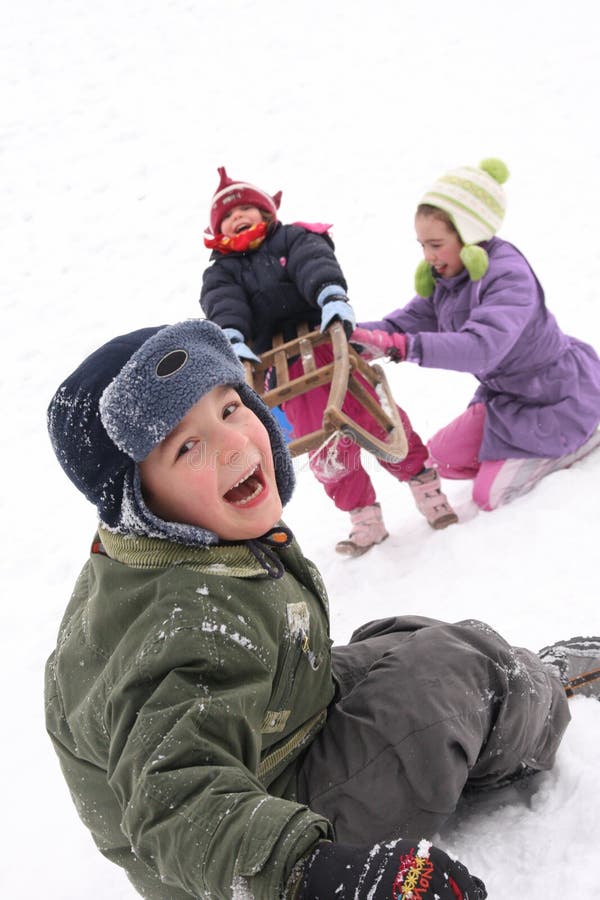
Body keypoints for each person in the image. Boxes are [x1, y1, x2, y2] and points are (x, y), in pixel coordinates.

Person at [45, 318, 600, 899]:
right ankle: (524, 695)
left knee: (400, 637)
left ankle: (507, 693)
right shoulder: (186, 624)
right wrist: (313, 873)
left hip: (277, 735)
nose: (233, 443)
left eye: (229, 408)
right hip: (256, 848)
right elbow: (173, 800)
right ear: (140, 502)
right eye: (187, 446)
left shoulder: (160, 549)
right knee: (454, 675)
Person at [199, 166, 458, 556]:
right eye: (228, 216)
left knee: (375, 418)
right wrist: (232, 337)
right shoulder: (222, 271)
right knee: (325, 446)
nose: (238, 217)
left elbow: (313, 262)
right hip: (283, 368)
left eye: (245, 209)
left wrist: (330, 295)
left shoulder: (291, 238)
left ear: (266, 212)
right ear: (218, 230)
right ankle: (363, 516)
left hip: (326, 343)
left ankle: (424, 485)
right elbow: (224, 304)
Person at [352, 158, 600, 511]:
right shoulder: (451, 276)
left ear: (469, 236)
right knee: (442, 457)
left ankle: (578, 439)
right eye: (422, 245)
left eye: (436, 244)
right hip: (508, 397)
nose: (428, 256)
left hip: (553, 395)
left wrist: (401, 348)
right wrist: (354, 335)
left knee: (489, 495)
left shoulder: (508, 276)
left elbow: (481, 348)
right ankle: (519, 454)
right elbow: (406, 322)